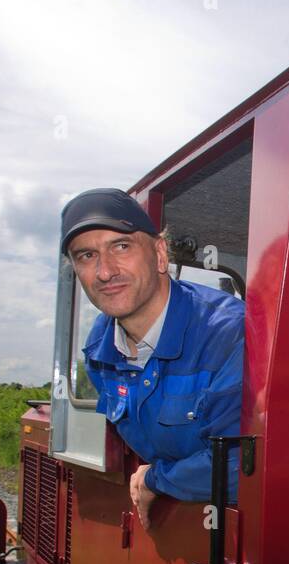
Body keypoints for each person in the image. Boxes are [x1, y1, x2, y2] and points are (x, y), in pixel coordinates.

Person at [60, 188, 243, 528]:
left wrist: (155, 480)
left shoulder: (228, 334)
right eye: (86, 256)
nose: (105, 271)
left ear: (160, 253)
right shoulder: (99, 349)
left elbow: (244, 466)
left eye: (121, 246)